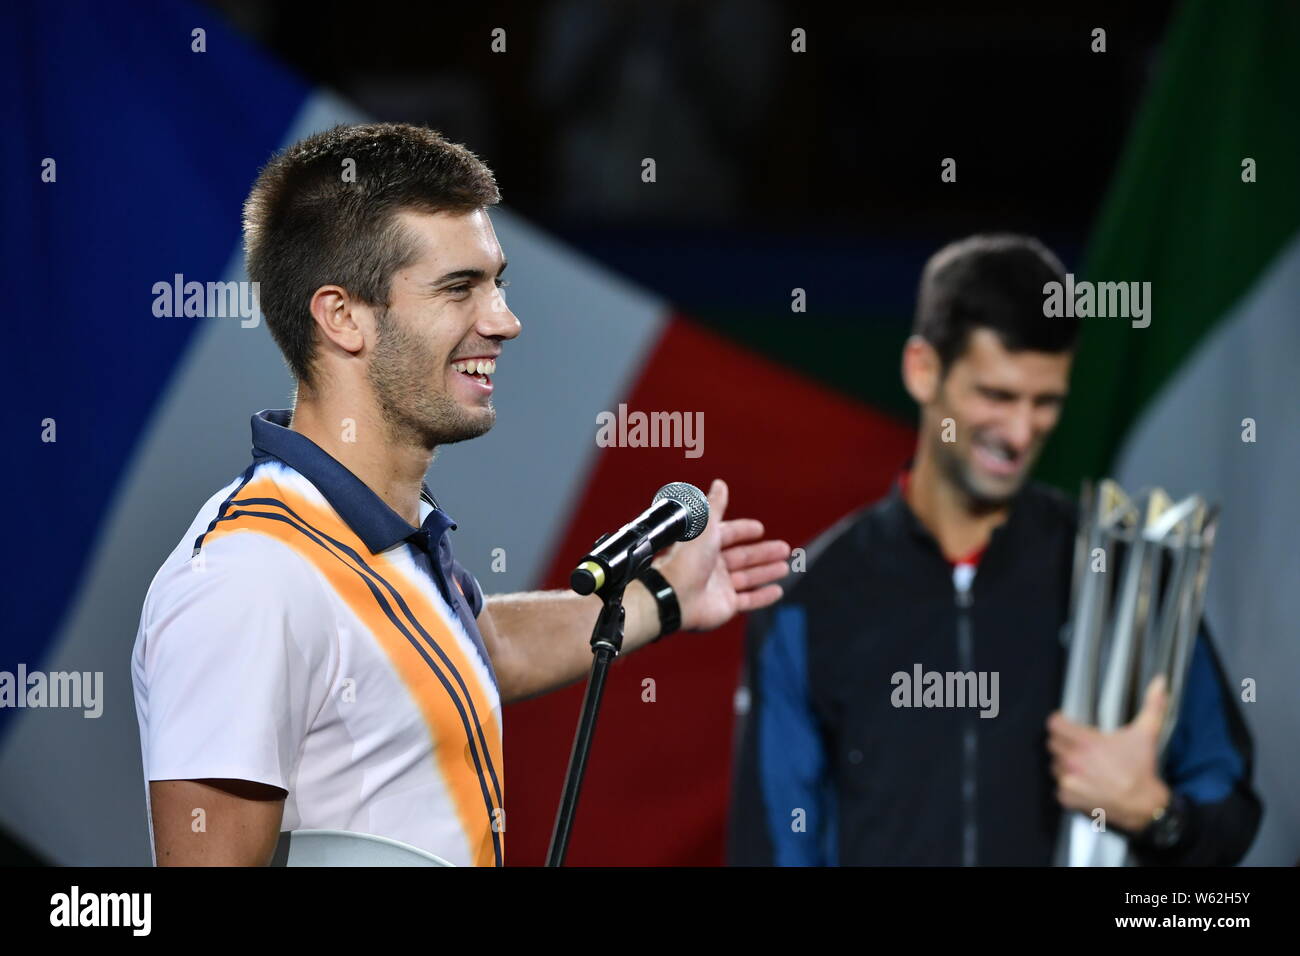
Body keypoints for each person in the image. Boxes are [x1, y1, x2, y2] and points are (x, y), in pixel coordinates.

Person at [130, 122, 791, 867]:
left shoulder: (376, 543)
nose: (504, 321)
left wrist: (663, 594)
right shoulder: (249, 579)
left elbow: (481, 647)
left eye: (496, 281)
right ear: (342, 316)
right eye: (459, 288)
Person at [728, 234, 1261, 866]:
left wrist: (1157, 814)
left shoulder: (1128, 579)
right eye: (997, 396)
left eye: (1046, 403)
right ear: (923, 369)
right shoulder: (810, 600)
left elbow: (1229, 808)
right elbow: (774, 852)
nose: (1019, 431)